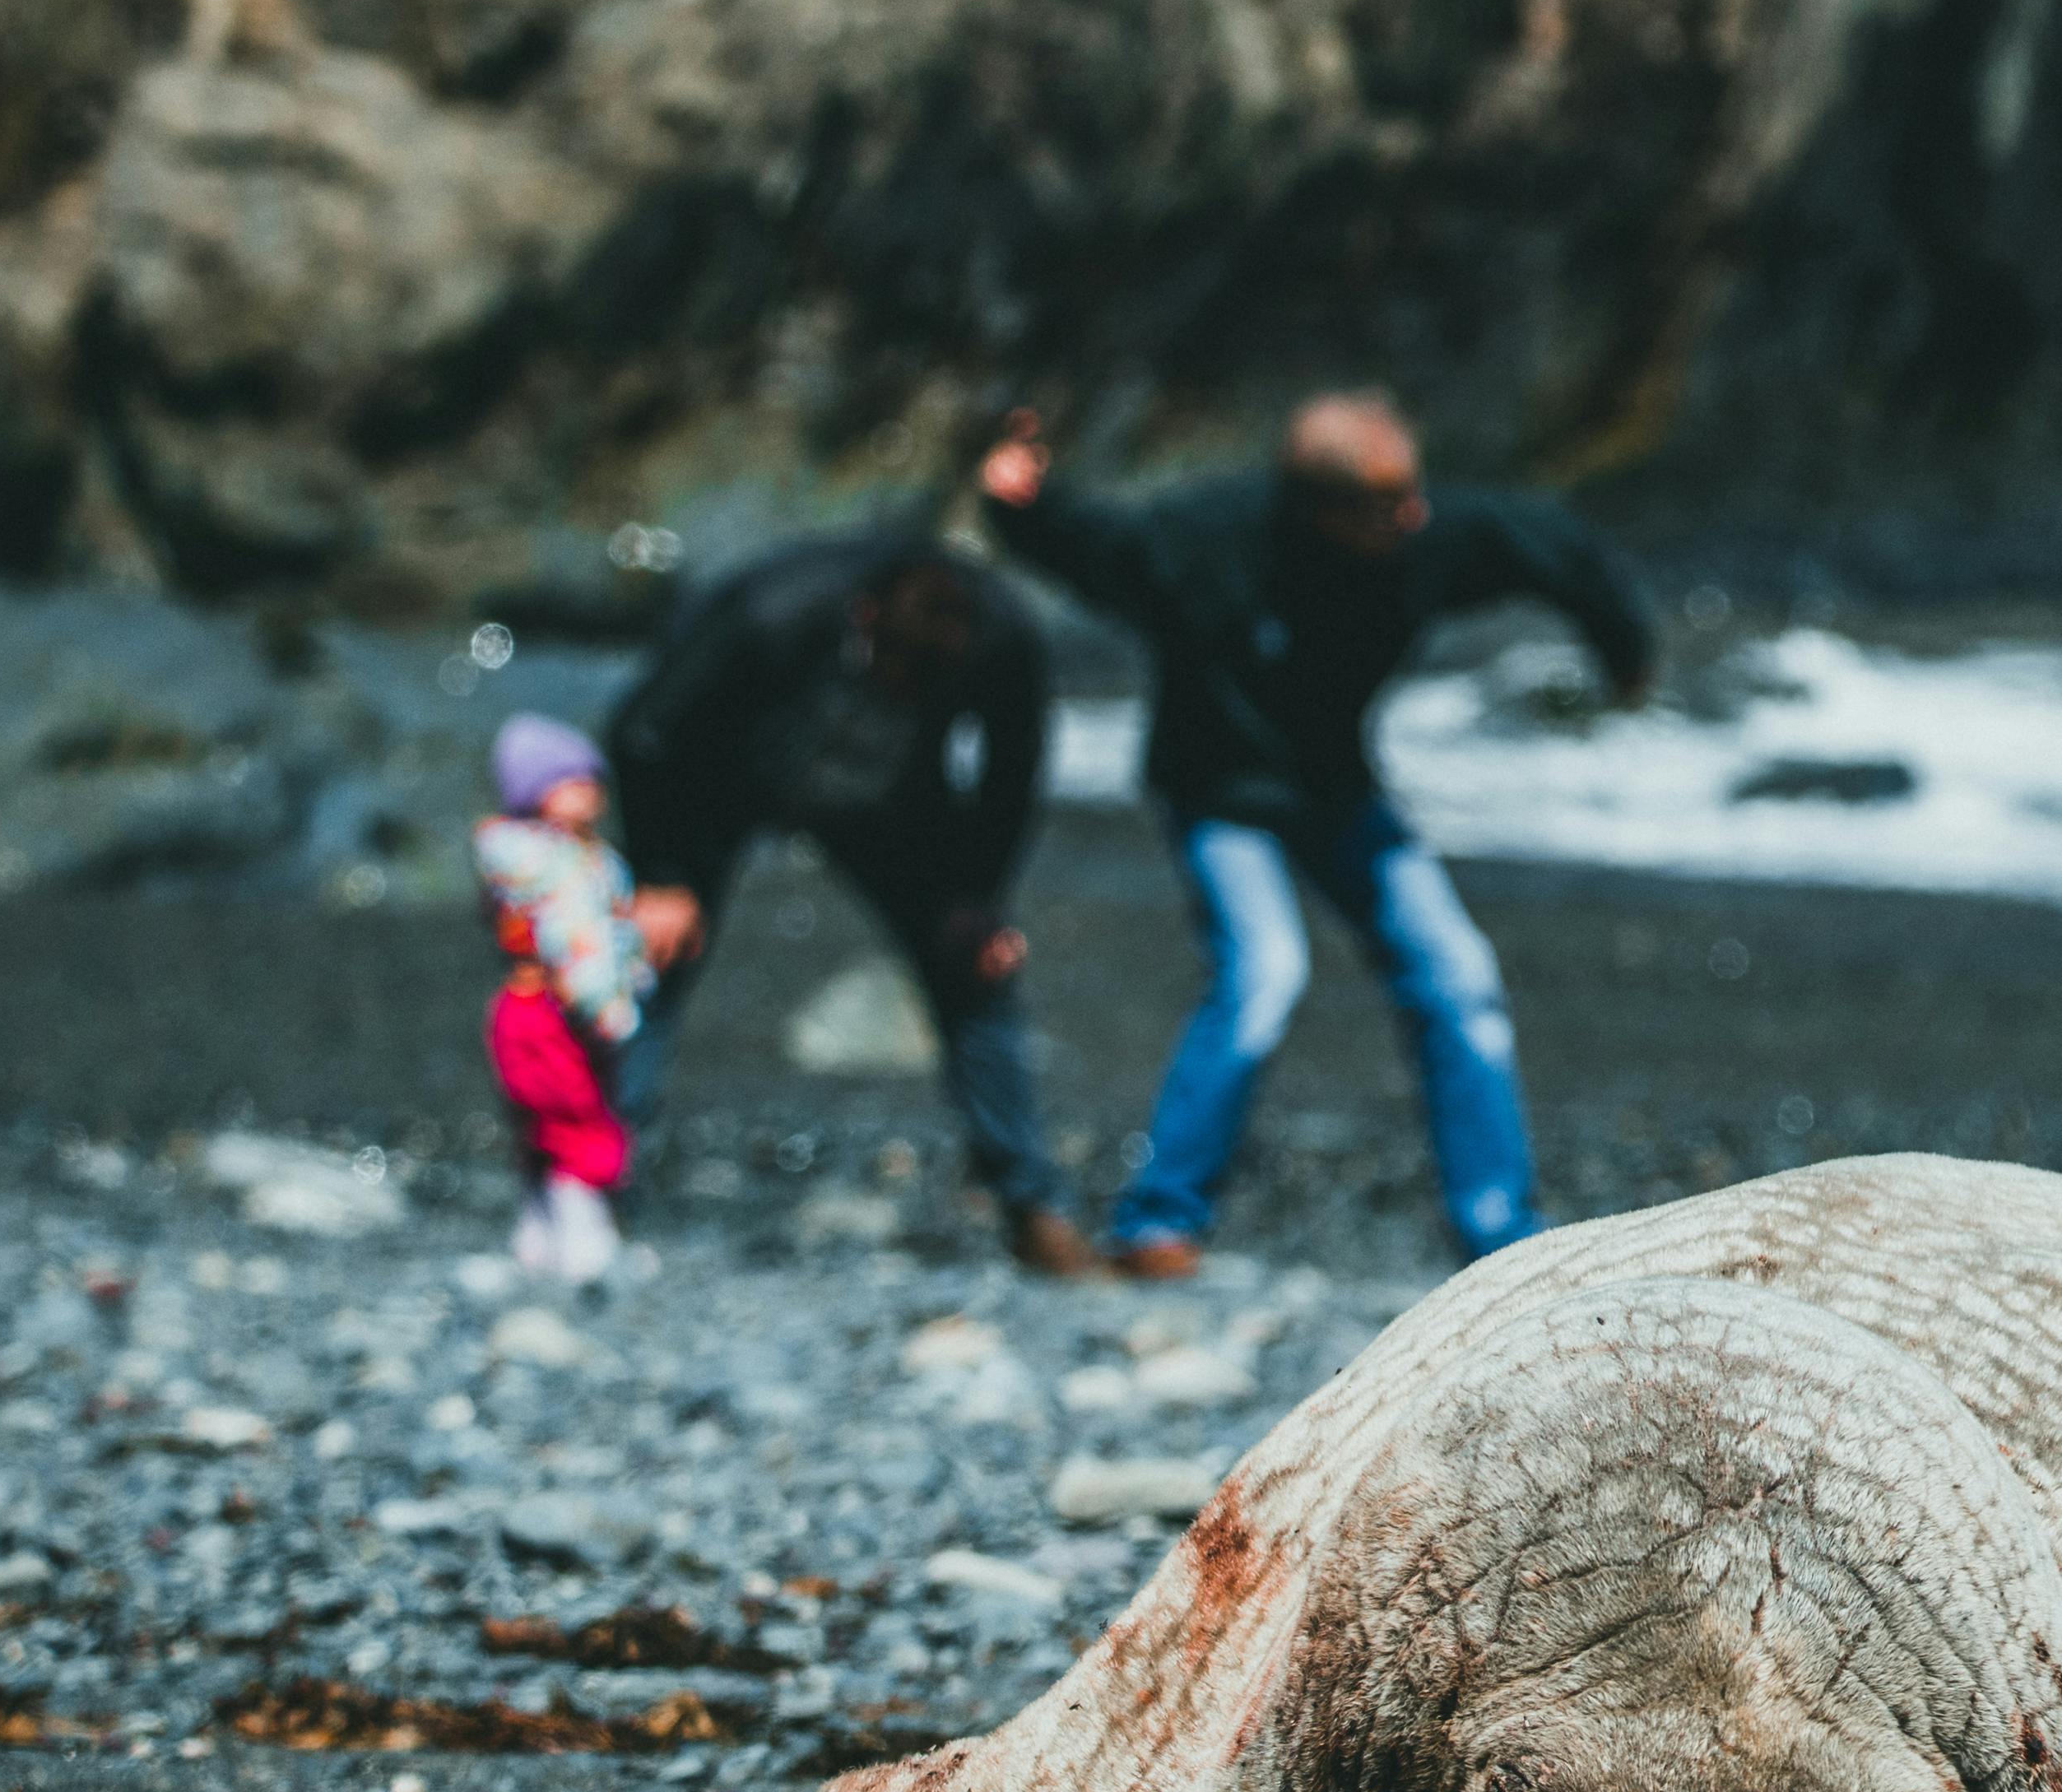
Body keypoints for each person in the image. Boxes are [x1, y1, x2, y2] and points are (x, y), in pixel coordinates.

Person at [977, 391, 1652, 1275]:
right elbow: (1082, 541)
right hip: (1220, 792)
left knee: (1459, 978)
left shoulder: (1429, 538)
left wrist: (1623, 649)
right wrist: (1012, 497)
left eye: (1412, 492)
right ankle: (1159, 1221)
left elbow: (1556, 549)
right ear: (1316, 507)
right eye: (1385, 504)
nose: (1412, 515)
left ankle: (1500, 1238)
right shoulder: (1203, 544)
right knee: (1264, 973)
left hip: (1339, 792)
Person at [601, 532, 1089, 1277]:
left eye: (921, 688)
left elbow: (1011, 775)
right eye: (892, 675)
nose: (902, 692)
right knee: (652, 965)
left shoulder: (1005, 641)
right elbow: (643, 732)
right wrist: (664, 880)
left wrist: (978, 901)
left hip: (889, 798)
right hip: (728, 769)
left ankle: (1033, 1206)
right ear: (862, 621)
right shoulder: (767, 613)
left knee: (973, 972)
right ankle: (591, 1184)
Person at [471, 712, 650, 1286]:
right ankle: (583, 1240)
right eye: (570, 780)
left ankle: (540, 1231)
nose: (589, 791)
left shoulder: (559, 858)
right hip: (556, 1010)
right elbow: (580, 944)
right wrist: (606, 1006)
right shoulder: (553, 866)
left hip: (536, 1007)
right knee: (576, 1117)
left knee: (545, 1122)